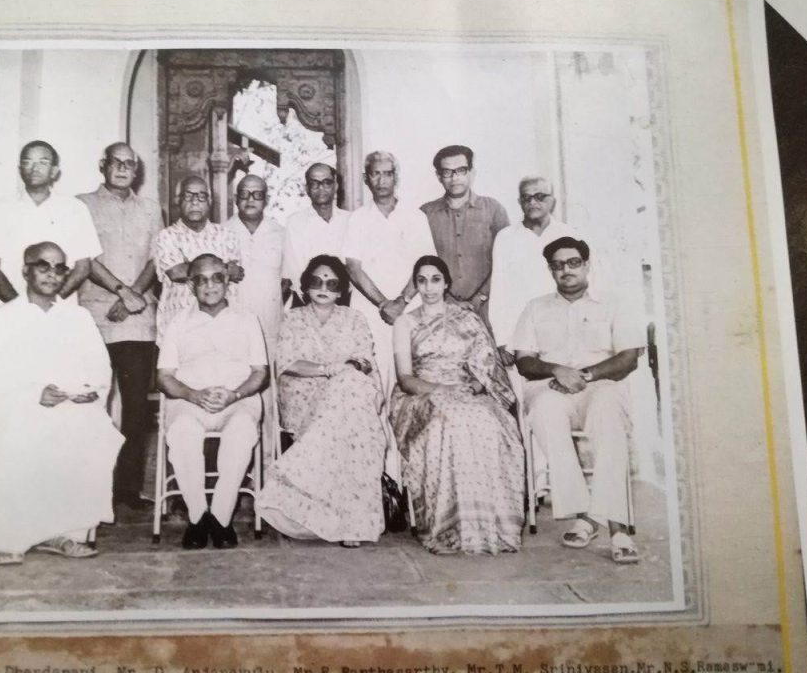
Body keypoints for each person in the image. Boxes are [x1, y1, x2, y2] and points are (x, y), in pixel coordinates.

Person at [0, 241, 124, 565]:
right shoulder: (5, 318)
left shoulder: (78, 317)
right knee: (21, 435)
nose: (52, 274)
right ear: (26, 270)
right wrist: (33, 394)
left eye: (60, 268)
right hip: (18, 407)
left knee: (91, 431)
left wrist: (90, 392)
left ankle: (68, 534)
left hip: (70, 406)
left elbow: (101, 368)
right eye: (43, 265)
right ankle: (10, 537)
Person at [514, 237, 644, 564]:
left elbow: (628, 358)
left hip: (600, 383)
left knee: (608, 419)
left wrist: (583, 376)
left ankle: (617, 529)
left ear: (587, 265)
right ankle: (584, 513)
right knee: (543, 412)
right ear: (550, 270)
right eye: (558, 265)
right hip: (550, 387)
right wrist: (556, 370)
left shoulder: (614, 303)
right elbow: (524, 361)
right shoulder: (535, 307)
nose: (566, 270)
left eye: (573, 263)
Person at [391, 255, 524, 555]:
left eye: (435, 279)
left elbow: (487, 369)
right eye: (421, 281)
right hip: (422, 394)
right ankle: (446, 527)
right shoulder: (405, 322)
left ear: (446, 283)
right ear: (415, 285)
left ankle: (493, 526)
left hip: (468, 391)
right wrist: (442, 390)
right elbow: (405, 378)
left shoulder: (466, 318)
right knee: (447, 421)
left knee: (490, 423)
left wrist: (474, 387)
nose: (428, 288)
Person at [257, 255, 387, 547]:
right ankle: (352, 525)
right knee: (354, 409)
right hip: (304, 395)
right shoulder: (291, 318)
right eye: (316, 281)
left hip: (346, 395)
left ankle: (348, 521)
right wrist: (329, 370)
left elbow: (364, 361)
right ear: (305, 287)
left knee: (351, 389)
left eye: (332, 283)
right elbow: (288, 363)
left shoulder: (355, 319)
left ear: (341, 290)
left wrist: (344, 373)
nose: (324, 287)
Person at [156, 254, 268, 549]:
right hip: (190, 401)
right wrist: (192, 394)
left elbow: (260, 373)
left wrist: (235, 395)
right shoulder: (178, 323)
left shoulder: (248, 319)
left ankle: (219, 518)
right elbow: (164, 376)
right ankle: (197, 517)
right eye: (201, 279)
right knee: (181, 432)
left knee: (242, 431)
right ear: (191, 285)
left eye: (217, 277)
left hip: (237, 400)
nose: (210, 286)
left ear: (227, 280)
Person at [77, 142, 162, 508]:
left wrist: (133, 297)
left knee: (136, 409)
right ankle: (91, 487)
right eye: (117, 162)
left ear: (136, 171)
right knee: (91, 402)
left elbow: (158, 258)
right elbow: (85, 258)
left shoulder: (150, 208)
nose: (123, 168)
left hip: (138, 319)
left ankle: (126, 489)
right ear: (103, 165)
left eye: (130, 164)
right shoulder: (83, 205)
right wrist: (121, 292)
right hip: (96, 312)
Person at [344, 150, 435, 398]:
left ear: (396, 177)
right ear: (366, 179)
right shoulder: (358, 219)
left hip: (411, 309)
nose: (382, 180)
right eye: (376, 174)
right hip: (371, 313)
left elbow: (425, 265)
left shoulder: (416, 217)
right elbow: (353, 267)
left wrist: (401, 302)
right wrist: (384, 304)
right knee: (374, 382)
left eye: (387, 174)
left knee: (415, 378)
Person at [0, 140, 101, 305]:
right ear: (20, 169)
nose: (35, 168)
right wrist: (19, 307)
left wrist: (51, 303)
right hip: (10, 309)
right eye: (28, 162)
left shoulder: (75, 209)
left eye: (43, 162)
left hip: (59, 308)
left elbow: (83, 267)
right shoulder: (1, 209)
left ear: (54, 171)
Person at [488, 176, 578, 354]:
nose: (532, 202)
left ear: (552, 200)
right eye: (526, 198)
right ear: (519, 202)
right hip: (520, 331)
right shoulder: (506, 238)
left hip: (562, 327)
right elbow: (499, 290)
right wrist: (503, 339)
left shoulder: (568, 234)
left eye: (539, 196)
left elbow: (584, 283)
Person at [420, 145, 509, 322]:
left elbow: (506, 260)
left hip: (489, 309)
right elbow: (420, 263)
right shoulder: (425, 214)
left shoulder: (493, 209)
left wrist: (481, 296)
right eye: (447, 172)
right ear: (438, 176)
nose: (454, 178)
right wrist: (447, 298)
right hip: (439, 309)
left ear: (472, 173)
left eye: (460, 170)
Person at [153, 175, 242, 343]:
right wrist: (222, 268)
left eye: (201, 196)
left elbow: (236, 274)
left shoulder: (226, 235)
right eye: (188, 196)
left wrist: (191, 266)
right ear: (178, 200)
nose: (195, 201)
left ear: (210, 201)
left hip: (221, 329)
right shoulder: (166, 236)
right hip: (179, 328)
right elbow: (176, 272)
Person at [224, 174, 285, 356]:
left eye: (257, 194)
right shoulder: (220, 232)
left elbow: (287, 280)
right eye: (244, 194)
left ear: (266, 200)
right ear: (236, 199)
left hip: (270, 325)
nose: (250, 199)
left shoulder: (281, 233)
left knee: (269, 378)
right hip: (231, 326)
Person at [281, 163, 350, 303]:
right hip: (306, 300)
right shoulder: (295, 222)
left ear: (335, 186)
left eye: (327, 182)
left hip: (343, 301)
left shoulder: (350, 220)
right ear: (307, 189)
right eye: (314, 183)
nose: (321, 188)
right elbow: (295, 269)